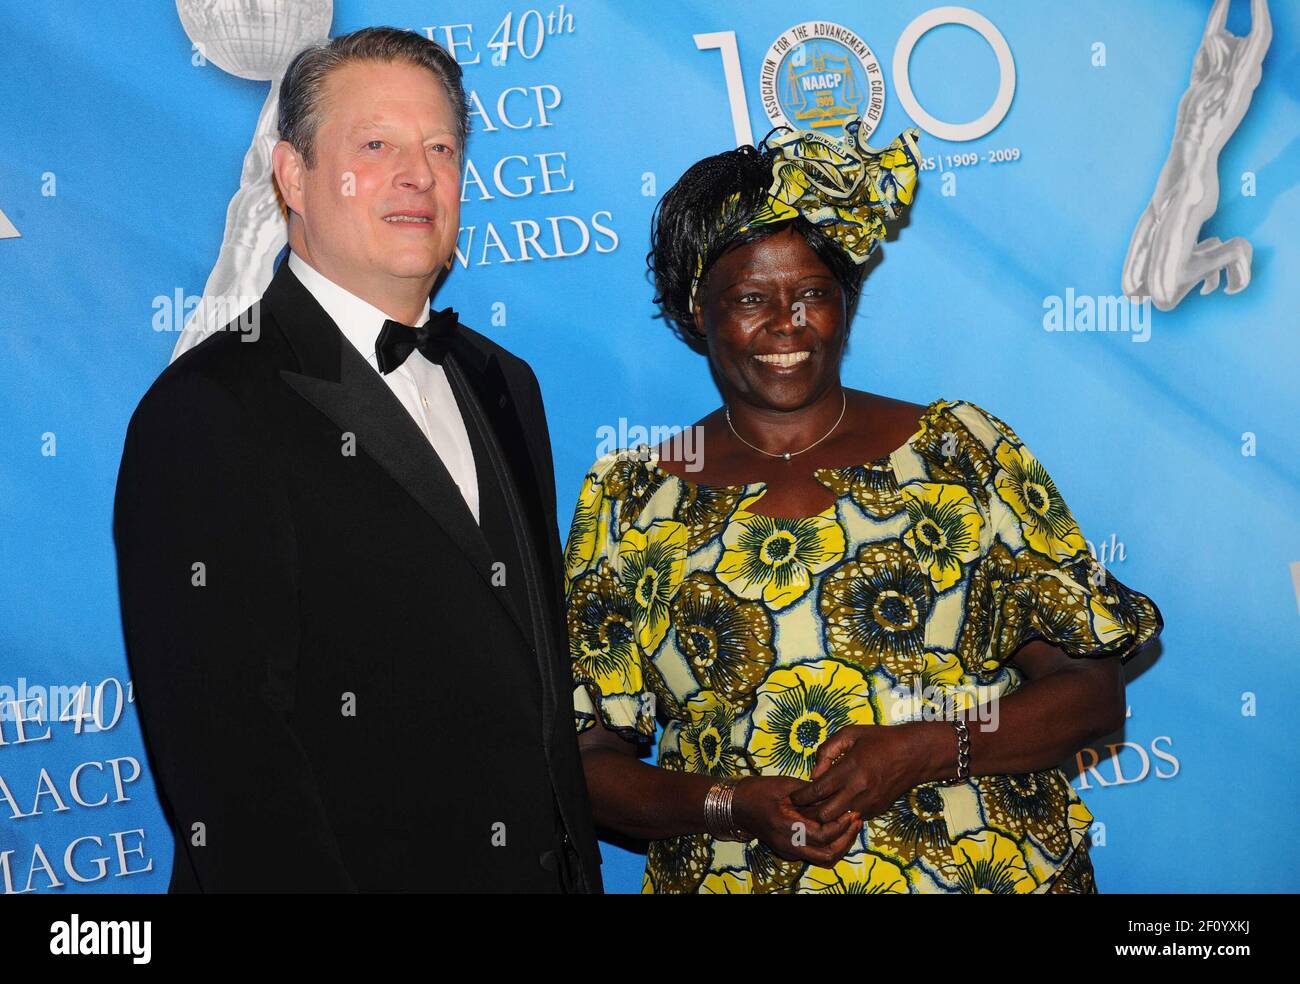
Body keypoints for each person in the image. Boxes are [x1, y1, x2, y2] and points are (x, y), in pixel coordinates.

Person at [562, 118, 1163, 893]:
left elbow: (1091, 692)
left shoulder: (959, 452)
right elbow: (588, 763)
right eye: (750, 298)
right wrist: (730, 805)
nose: (788, 324)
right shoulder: (632, 499)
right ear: (694, 311)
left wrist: (923, 749)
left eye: (813, 292)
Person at [113, 27, 601, 892]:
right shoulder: (205, 409)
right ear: (292, 176)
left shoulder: (502, 382)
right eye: (375, 145)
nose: (417, 174)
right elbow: (230, 770)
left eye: (440, 148)